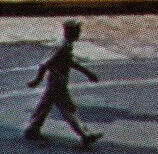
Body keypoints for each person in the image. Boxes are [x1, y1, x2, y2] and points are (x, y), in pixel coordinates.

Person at [23, 19, 103, 147]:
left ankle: (32, 129)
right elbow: (45, 64)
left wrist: (87, 73)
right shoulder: (62, 46)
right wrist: (37, 80)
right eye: (77, 31)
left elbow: (69, 62)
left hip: (57, 81)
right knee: (68, 108)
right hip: (57, 83)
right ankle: (84, 134)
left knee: (44, 106)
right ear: (69, 31)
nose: (79, 33)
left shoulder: (65, 44)